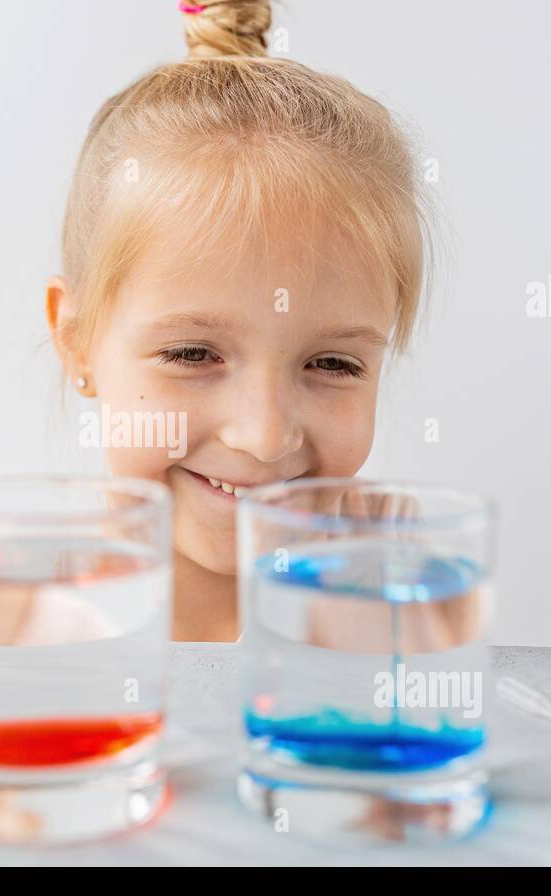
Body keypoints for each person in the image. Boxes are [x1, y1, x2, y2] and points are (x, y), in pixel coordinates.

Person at [45, 0, 432, 643]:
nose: (264, 436)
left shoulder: (397, 612)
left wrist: (381, 636)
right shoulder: (37, 631)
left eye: (333, 363)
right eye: (193, 354)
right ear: (77, 343)